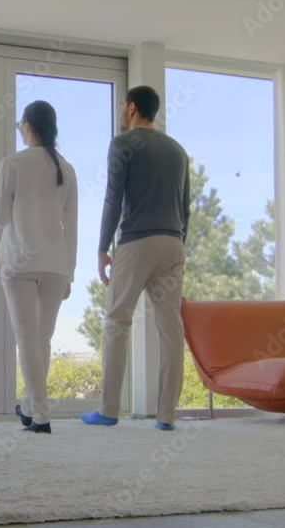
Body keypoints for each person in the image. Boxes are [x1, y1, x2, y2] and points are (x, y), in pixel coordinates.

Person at [80, 85, 190, 431]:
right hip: (173, 243)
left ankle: (109, 410)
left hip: (136, 242)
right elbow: (185, 207)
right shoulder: (177, 150)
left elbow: (113, 199)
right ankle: (167, 416)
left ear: (130, 108)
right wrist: (176, 241)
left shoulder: (123, 144)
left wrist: (102, 248)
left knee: (117, 321)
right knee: (171, 329)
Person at [0, 100, 78, 434]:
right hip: (56, 264)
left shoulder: (12, 164)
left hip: (19, 261)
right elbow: (72, 225)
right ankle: (29, 405)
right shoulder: (66, 168)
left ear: (27, 125)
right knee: (42, 339)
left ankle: (41, 413)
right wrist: (70, 270)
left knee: (27, 339)